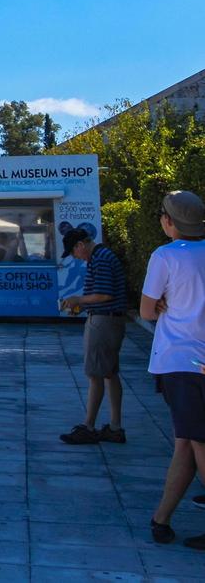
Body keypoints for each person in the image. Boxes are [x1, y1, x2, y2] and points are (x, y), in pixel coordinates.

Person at [141, 190, 205, 547]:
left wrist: (163, 303)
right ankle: (161, 518)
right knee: (186, 442)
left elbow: (147, 311)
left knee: (197, 443)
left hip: (181, 363)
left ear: (169, 221)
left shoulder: (165, 256)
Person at [59, 228, 128, 444]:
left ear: (80, 245)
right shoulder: (102, 256)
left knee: (95, 374)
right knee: (109, 373)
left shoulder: (101, 259)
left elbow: (104, 294)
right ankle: (115, 427)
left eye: (73, 252)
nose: (75, 257)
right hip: (109, 318)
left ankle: (88, 426)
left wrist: (78, 300)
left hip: (103, 321)